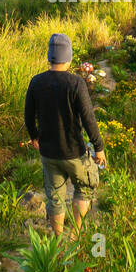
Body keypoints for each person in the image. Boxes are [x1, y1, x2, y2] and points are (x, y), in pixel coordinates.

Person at [23, 32, 106, 237]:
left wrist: (34, 137)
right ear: (68, 57)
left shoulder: (36, 82)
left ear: (50, 57)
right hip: (74, 151)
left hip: (49, 153)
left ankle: (58, 239)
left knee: (55, 198)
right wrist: (98, 147)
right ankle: (75, 233)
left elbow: (28, 114)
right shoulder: (76, 83)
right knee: (85, 187)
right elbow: (88, 119)